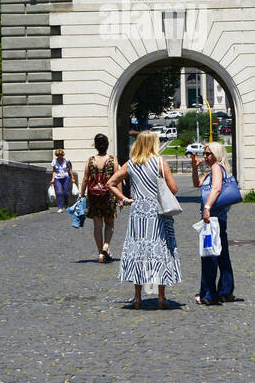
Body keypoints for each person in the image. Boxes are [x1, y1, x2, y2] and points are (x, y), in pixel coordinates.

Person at [108, 130, 181, 309]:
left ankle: (137, 297)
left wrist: (124, 199)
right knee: (160, 250)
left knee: (138, 251)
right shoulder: (160, 162)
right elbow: (174, 188)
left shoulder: (131, 164)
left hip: (138, 212)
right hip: (157, 212)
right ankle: (162, 297)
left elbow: (110, 183)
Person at [190, 141, 235, 305]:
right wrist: (195, 168)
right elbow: (197, 184)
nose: (205, 156)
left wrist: (207, 208)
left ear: (217, 154)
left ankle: (208, 294)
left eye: (208, 153)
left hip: (212, 219)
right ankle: (225, 291)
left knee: (209, 255)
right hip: (219, 219)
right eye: (205, 153)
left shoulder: (216, 168)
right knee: (222, 255)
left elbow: (216, 189)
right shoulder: (215, 170)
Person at [79, 133, 121, 263]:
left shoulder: (90, 160)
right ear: (107, 145)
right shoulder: (113, 160)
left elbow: (85, 179)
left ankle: (100, 254)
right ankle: (105, 246)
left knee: (97, 226)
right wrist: (120, 197)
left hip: (93, 197)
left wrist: (81, 196)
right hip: (108, 196)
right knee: (109, 224)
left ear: (95, 146)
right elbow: (117, 179)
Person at [50, 147, 76, 212]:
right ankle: (60, 207)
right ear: (56, 155)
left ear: (62, 155)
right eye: (58, 155)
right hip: (57, 178)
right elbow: (54, 171)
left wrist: (72, 178)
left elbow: (70, 169)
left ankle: (66, 205)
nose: (59, 156)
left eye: (61, 155)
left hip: (66, 178)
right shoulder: (54, 161)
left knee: (66, 193)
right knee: (59, 192)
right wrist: (53, 179)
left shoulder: (66, 161)